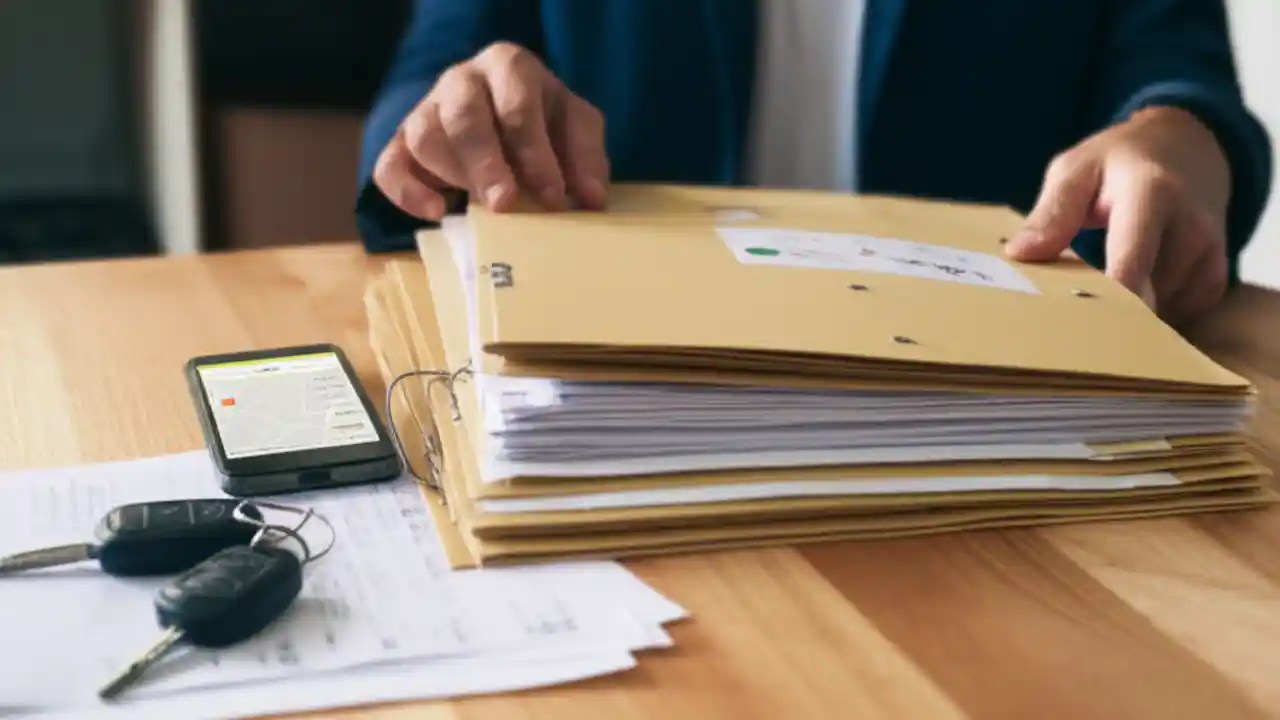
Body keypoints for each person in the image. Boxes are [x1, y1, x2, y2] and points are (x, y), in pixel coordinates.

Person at [355, 1, 1272, 324]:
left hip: (987, 408)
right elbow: (435, 66)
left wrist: (1179, 132)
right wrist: (447, 123)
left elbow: (1175, 71)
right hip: (628, 387)